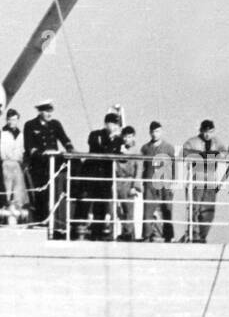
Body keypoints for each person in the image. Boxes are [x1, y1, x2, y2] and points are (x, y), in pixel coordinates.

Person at [21, 100, 73, 225]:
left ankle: (57, 222)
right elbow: (29, 146)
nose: (49, 114)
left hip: (54, 165)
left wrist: (70, 150)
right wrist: (40, 155)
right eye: (46, 111)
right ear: (40, 111)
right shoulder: (30, 125)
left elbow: (65, 140)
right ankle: (41, 222)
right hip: (39, 166)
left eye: (50, 111)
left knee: (56, 193)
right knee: (41, 195)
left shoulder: (55, 124)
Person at [80, 111, 123, 240]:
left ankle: (97, 232)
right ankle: (80, 229)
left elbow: (113, 152)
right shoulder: (95, 135)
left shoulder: (118, 139)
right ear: (106, 124)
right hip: (92, 174)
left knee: (102, 205)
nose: (115, 126)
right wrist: (110, 141)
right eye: (113, 123)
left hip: (105, 176)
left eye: (117, 124)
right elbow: (100, 149)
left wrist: (113, 140)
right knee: (87, 203)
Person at [181, 119, 225, 243]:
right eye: (205, 132)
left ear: (213, 131)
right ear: (201, 131)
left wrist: (215, 154)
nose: (207, 135)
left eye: (210, 132)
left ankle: (203, 235)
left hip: (211, 177)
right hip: (196, 177)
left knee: (208, 209)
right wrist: (201, 154)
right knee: (195, 207)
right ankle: (194, 233)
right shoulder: (193, 142)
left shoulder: (217, 143)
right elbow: (184, 152)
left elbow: (225, 153)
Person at [140, 121, 176, 242]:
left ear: (161, 132)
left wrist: (174, 182)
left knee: (167, 208)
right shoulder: (145, 148)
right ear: (150, 132)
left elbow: (174, 165)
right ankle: (146, 235)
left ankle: (168, 236)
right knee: (148, 210)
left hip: (165, 182)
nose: (155, 134)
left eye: (157, 131)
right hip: (150, 181)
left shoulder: (168, 148)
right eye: (153, 132)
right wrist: (141, 181)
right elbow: (142, 166)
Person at [111, 126, 144, 240]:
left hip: (129, 182)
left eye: (129, 137)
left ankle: (128, 233)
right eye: (125, 137)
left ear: (133, 137)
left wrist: (135, 186)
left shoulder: (137, 152)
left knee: (129, 209)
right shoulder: (118, 150)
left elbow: (139, 170)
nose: (126, 139)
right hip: (119, 181)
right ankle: (127, 232)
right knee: (121, 210)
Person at [1, 109, 27, 224]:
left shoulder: (20, 134)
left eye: (15, 119)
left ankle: (16, 210)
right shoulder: (3, 133)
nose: (13, 122)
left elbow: (21, 150)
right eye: (11, 119)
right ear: (7, 120)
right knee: (6, 188)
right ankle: (5, 209)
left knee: (18, 189)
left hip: (17, 164)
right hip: (6, 163)